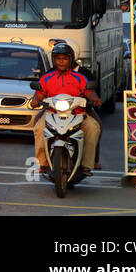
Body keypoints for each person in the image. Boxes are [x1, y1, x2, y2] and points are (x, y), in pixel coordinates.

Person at [30, 41, 102, 177]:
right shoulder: (46, 78)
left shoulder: (79, 77)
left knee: (93, 127)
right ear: (53, 60)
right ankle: (42, 163)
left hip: (77, 114)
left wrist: (95, 99)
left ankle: (87, 164)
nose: (61, 61)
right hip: (52, 114)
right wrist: (35, 101)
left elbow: (88, 91)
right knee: (39, 128)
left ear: (71, 59)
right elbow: (39, 94)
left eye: (64, 58)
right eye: (58, 58)